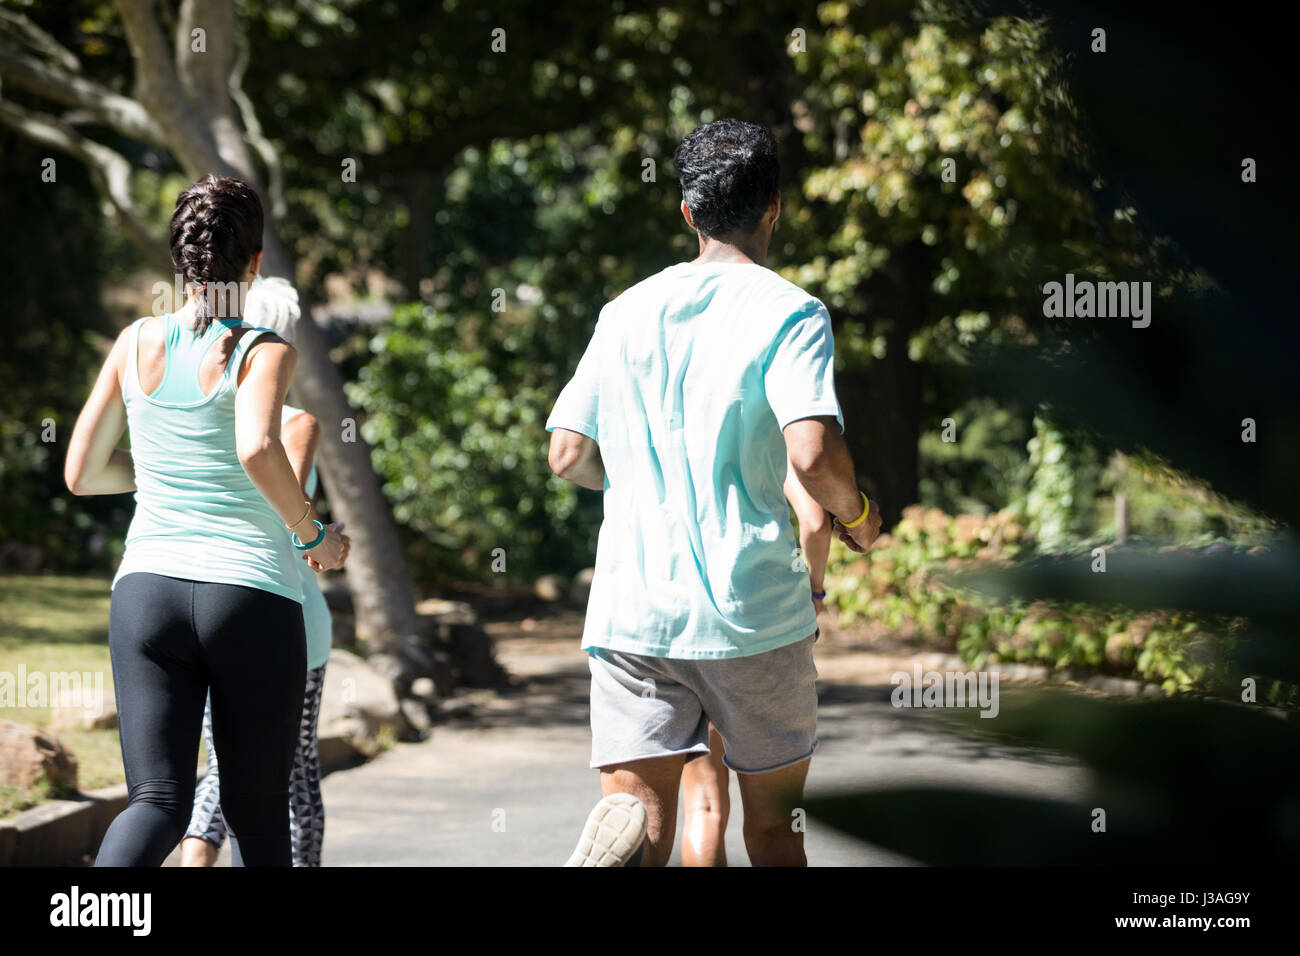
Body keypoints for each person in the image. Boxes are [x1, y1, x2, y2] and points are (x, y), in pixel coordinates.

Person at [549, 118, 881, 867]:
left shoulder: (623, 311)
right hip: (751, 611)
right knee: (772, 831)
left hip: (631, 610)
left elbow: (566, 453)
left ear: (688, 213)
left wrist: (635, 476)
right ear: (775, 207)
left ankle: (621, 831)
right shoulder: (790, 311)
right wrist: (857, 514)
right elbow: (812, 448)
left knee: (643, 820)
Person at [64, 175, 349, 867]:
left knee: (156, 802)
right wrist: (315, 535)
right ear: (255, 263)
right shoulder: (264, 349)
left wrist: (163, 469)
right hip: (248, 596)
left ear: (178, 259)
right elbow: (257, 446)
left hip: (145, 595)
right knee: (257, 814)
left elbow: (80, 472)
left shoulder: (135, 341)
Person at [180, 404, 332, 868]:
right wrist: (325, 538)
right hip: (286, 617)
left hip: (199, 606)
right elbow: (288, 528)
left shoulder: (194, 416)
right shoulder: (296, 424)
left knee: (224, 766)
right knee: (293, 770)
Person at [680, 461, 831, 866]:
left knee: (704, 806)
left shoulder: (675, 434)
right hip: (762, 628)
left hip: (682, 630)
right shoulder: (774, 436)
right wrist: (814, 594)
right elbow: (816, 523)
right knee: (775, 824)